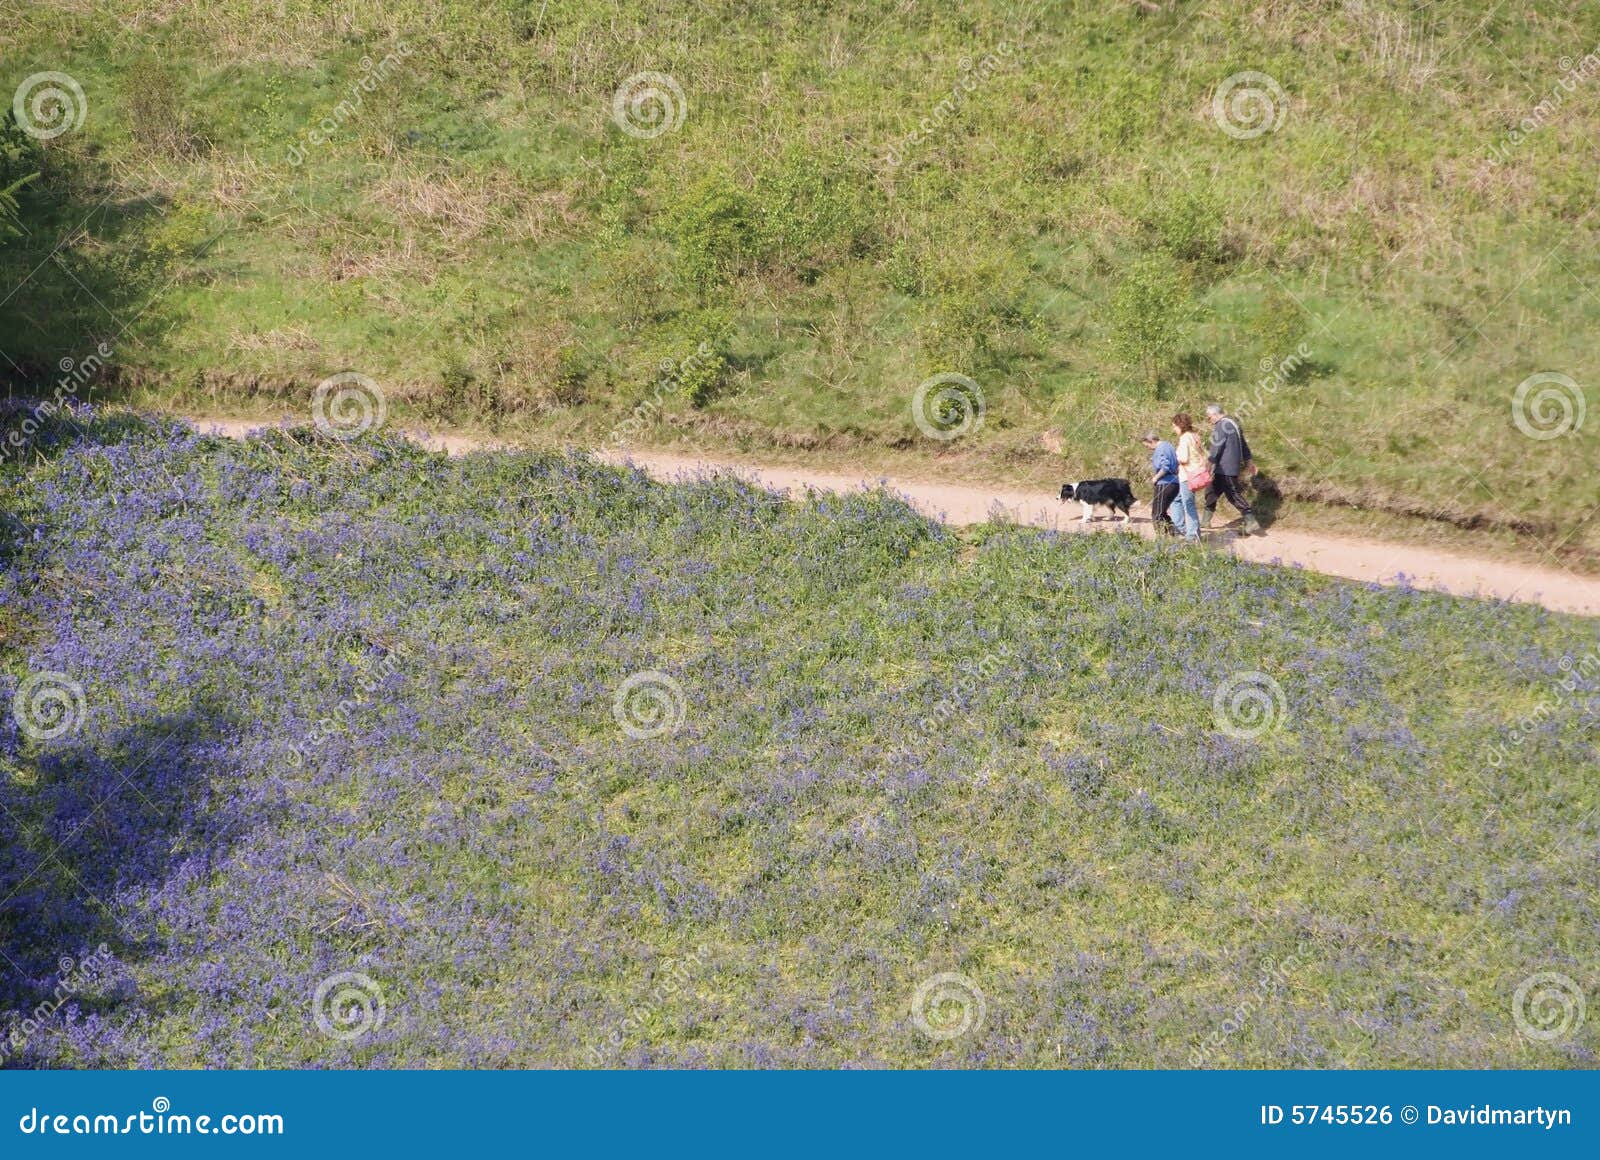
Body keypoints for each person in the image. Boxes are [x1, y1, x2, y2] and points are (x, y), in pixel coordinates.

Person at [1200, 404, 1261, 534]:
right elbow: (1243, 445)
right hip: (1225, 467)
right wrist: (1249, 461)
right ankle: (1205, 521)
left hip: (1225, 467)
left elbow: (1217, 445)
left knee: (1233, 494)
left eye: (1209, 417)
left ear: (1215, 414)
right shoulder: (1234, 423)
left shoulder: (1221, 425)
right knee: (1211, 491)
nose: (1209, 420)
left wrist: (1210, 461)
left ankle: (1251, 521)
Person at [1169, 412, 1203, 542]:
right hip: (1195, 473)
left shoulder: (1184, 438)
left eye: (1174, 426)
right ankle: (1180, 528)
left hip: (1187, 476)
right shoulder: (1195, 436)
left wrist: (1174, 458)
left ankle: (1192, 535)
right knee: (1176, 499)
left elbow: (1183, 458)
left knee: (1188, 504)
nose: (1174, 429)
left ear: (1180, 425)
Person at [1140, 430, 1179, 536]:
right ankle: (1173, 533)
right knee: (1162, 512)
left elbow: (1165, 466)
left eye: (1147, 445)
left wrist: (1156, 478)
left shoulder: (1161, 448)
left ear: (1151, 441)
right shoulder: (1168, 445)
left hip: (1165, 483)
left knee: (1156, 514)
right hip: (1174, 483)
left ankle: (1161, 538)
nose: (1148, 448)